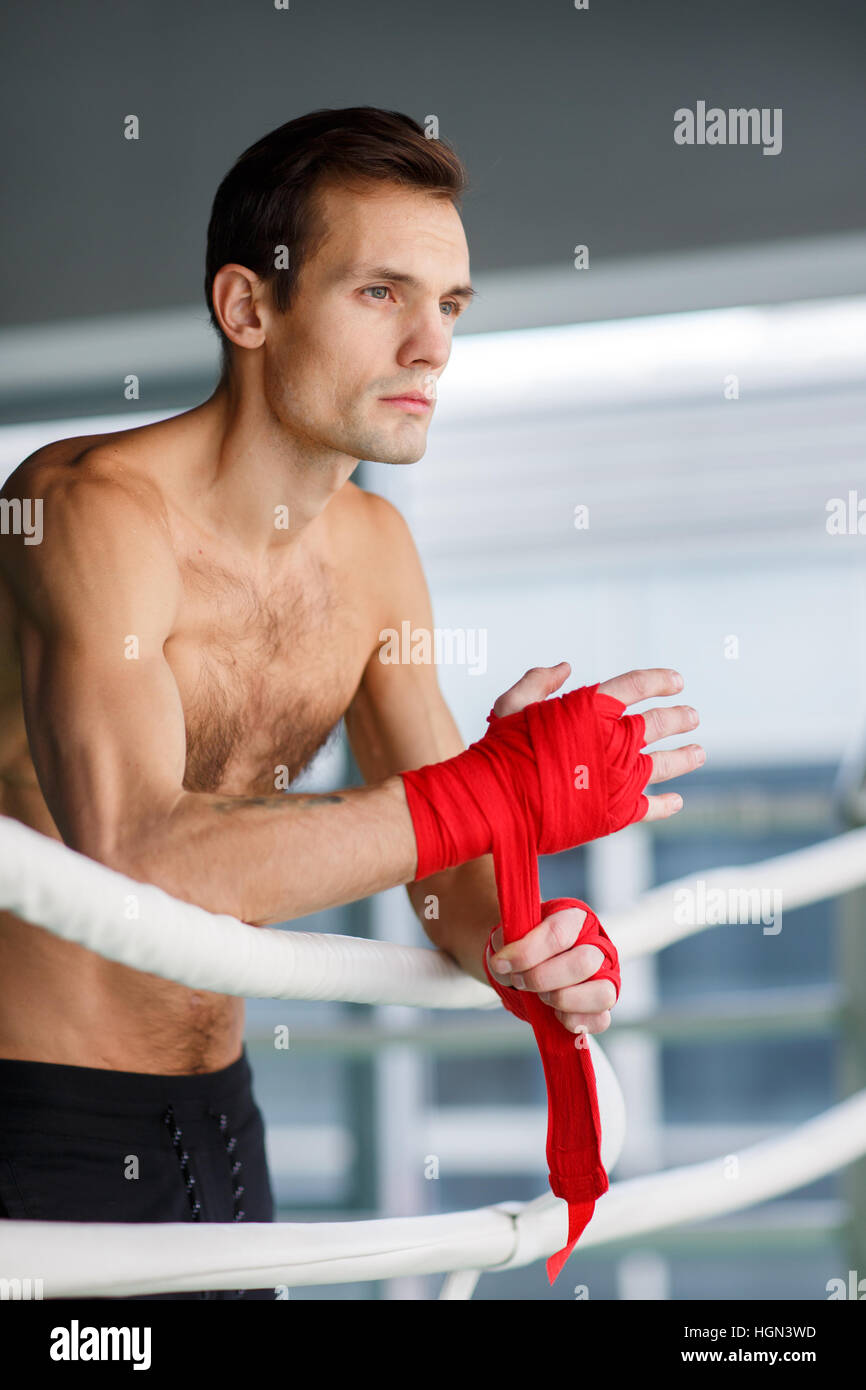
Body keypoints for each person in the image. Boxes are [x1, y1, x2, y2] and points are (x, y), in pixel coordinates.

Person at [0, 107, 704, 1298]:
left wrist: (532, 933)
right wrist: (491, 790)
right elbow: (134, 855)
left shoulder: (374, 549)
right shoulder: (84, 509)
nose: (431, 346)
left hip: (220, 1120)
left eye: (452, 305)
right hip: (37, 1125)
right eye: (382, 293)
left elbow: (448, 878)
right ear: (249, 309)